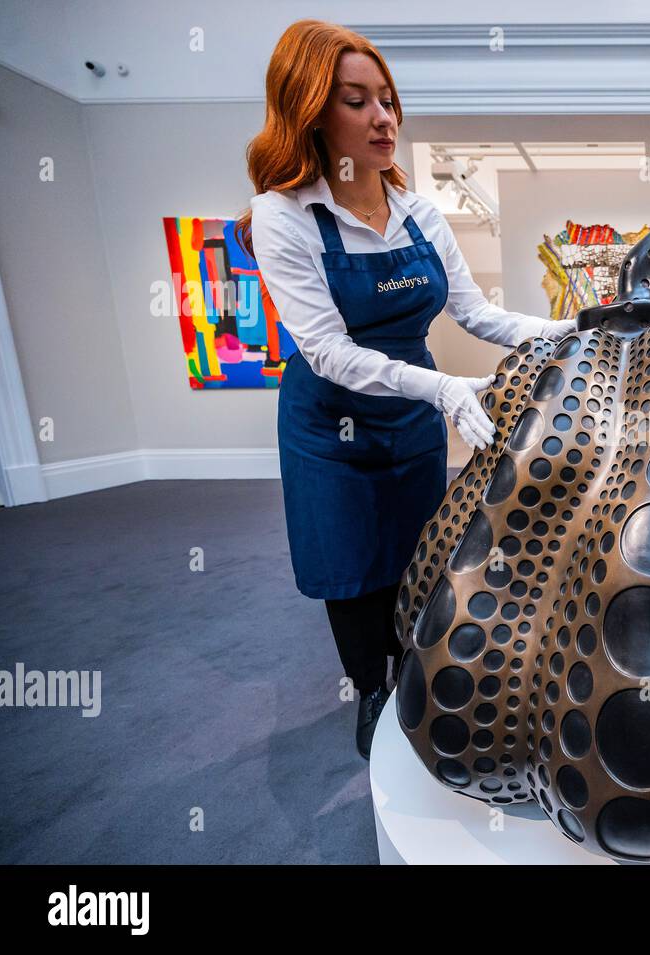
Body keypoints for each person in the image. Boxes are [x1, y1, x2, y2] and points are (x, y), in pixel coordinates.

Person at [235, 20, 574, 758]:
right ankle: (368, 688)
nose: (384, 118)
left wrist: (569, 329)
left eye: (387, 100)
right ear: (312, 112)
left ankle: (412, 672)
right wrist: (446, 389)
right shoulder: (284, 216)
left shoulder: (419, 214)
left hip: (412, 414)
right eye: (357, 101)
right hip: (331, 422)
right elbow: (327, 351)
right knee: (350, 565)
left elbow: (476, 313)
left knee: (421, 552)